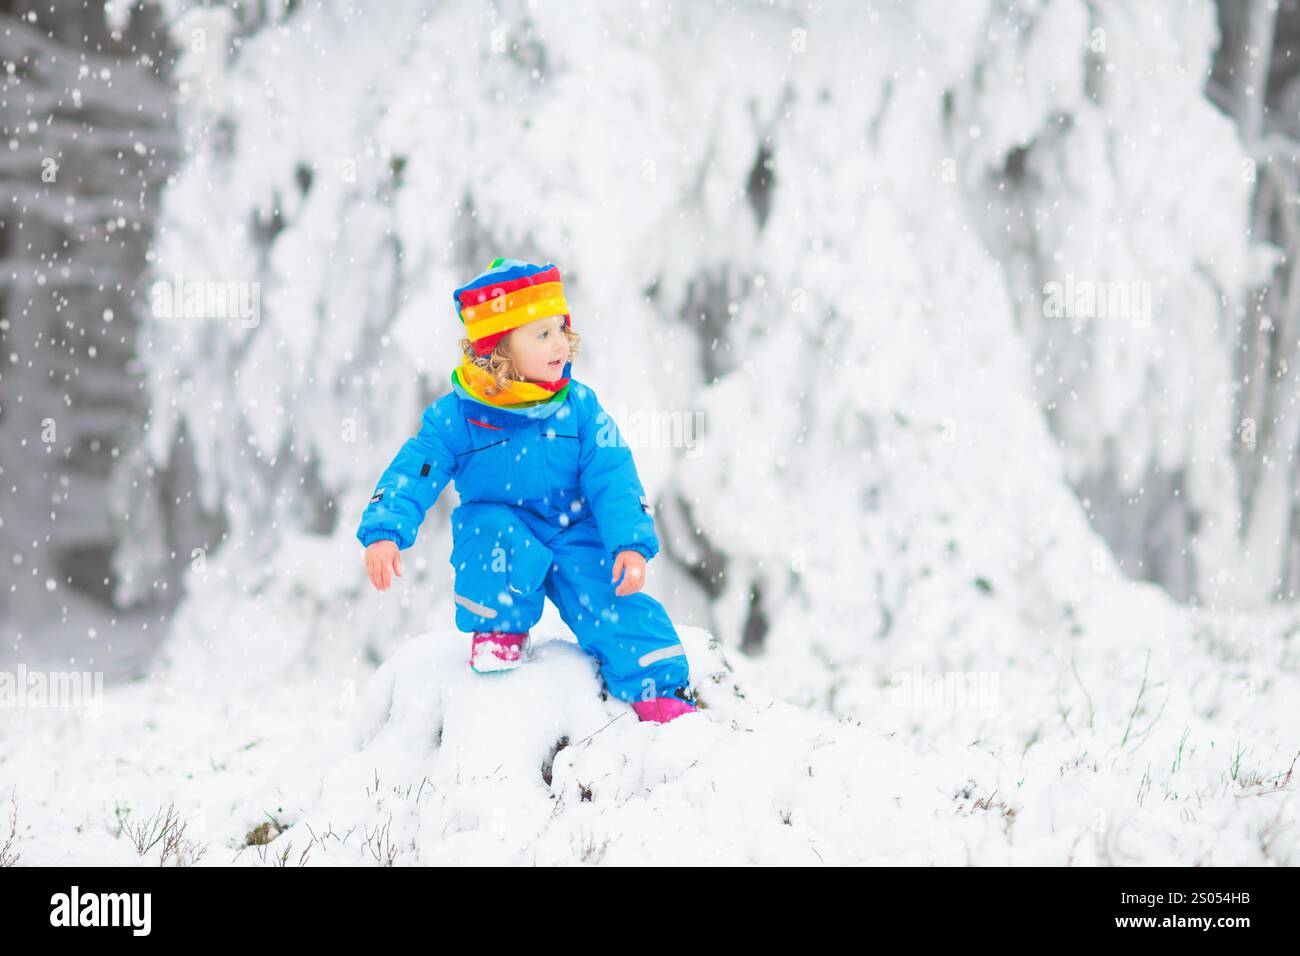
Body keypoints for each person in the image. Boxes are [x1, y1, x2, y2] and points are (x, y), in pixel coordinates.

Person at [357, 257, 696, 723]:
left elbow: (613, 474)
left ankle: (658, 688)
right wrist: (385, 529)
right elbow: (416, 468)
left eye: (561, 328)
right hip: (507, 532)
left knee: (616, 600)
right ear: (500, 349)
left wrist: (629, 543)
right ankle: (500, 630)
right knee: (489, 532)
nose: (560, 343)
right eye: (542, 334)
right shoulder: (460, 416)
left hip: (575, 527)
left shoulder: (579, 407)